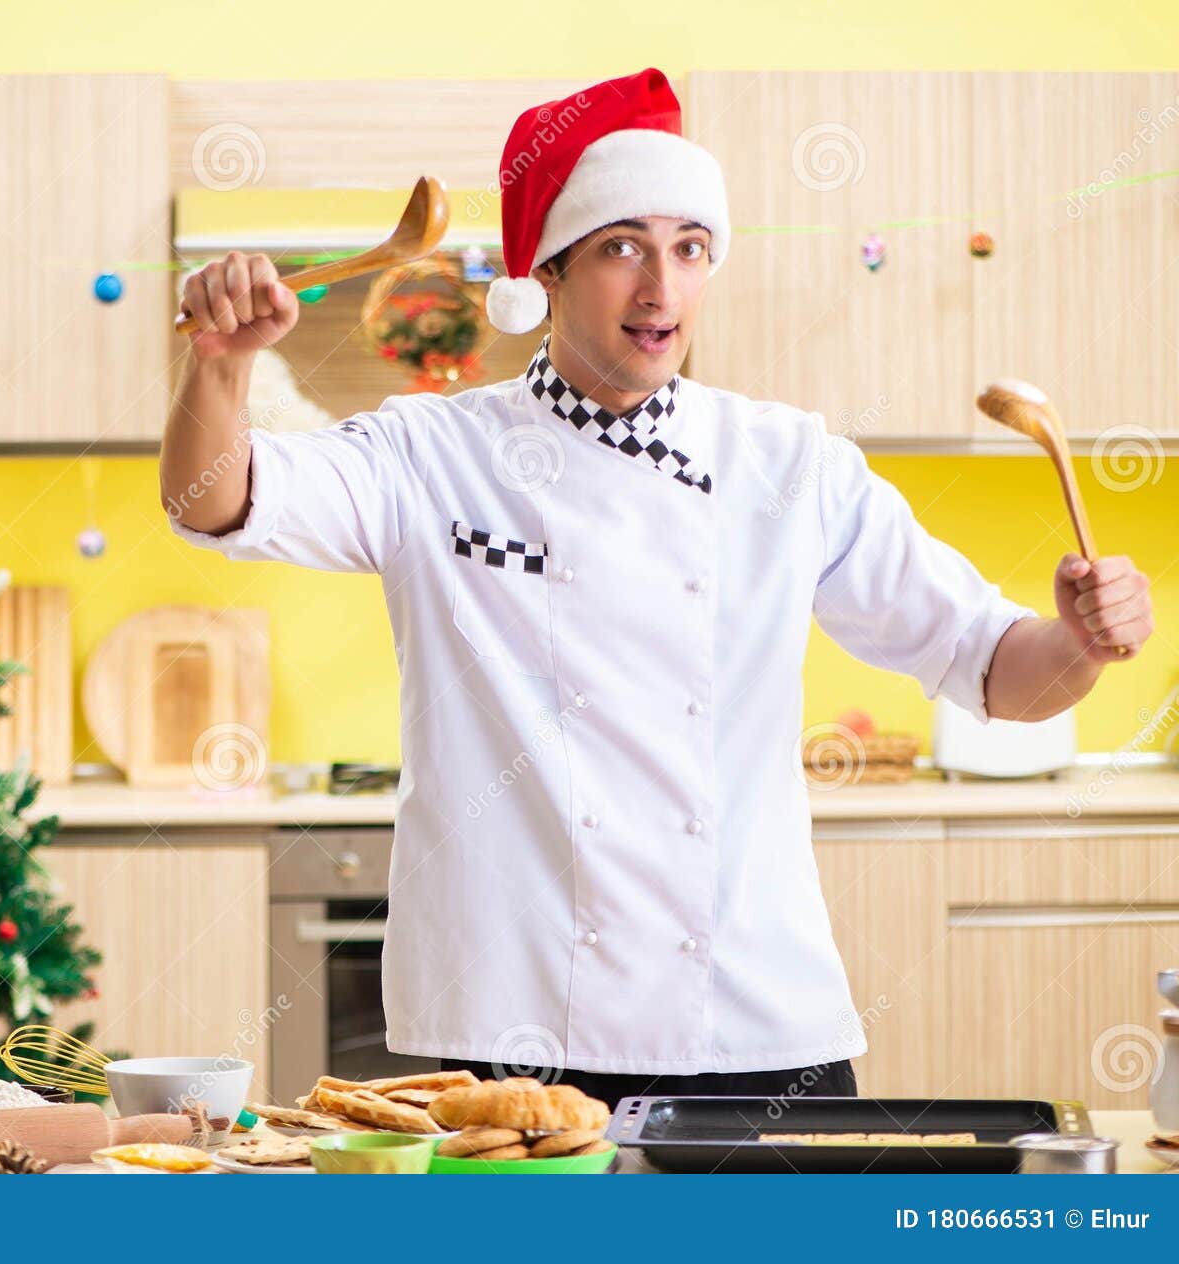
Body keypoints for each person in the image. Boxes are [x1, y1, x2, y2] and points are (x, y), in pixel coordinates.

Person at [159, 67, 1154, 1108]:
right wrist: (220, 367)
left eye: (689, 249)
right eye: (622, 246)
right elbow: (208, 497)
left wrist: (1081, 642)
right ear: (547, 269)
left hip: (757, 1022)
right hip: (521, 1027)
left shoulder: (788, 464)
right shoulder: (431, 453)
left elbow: (1000, 674)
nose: (660, 289)